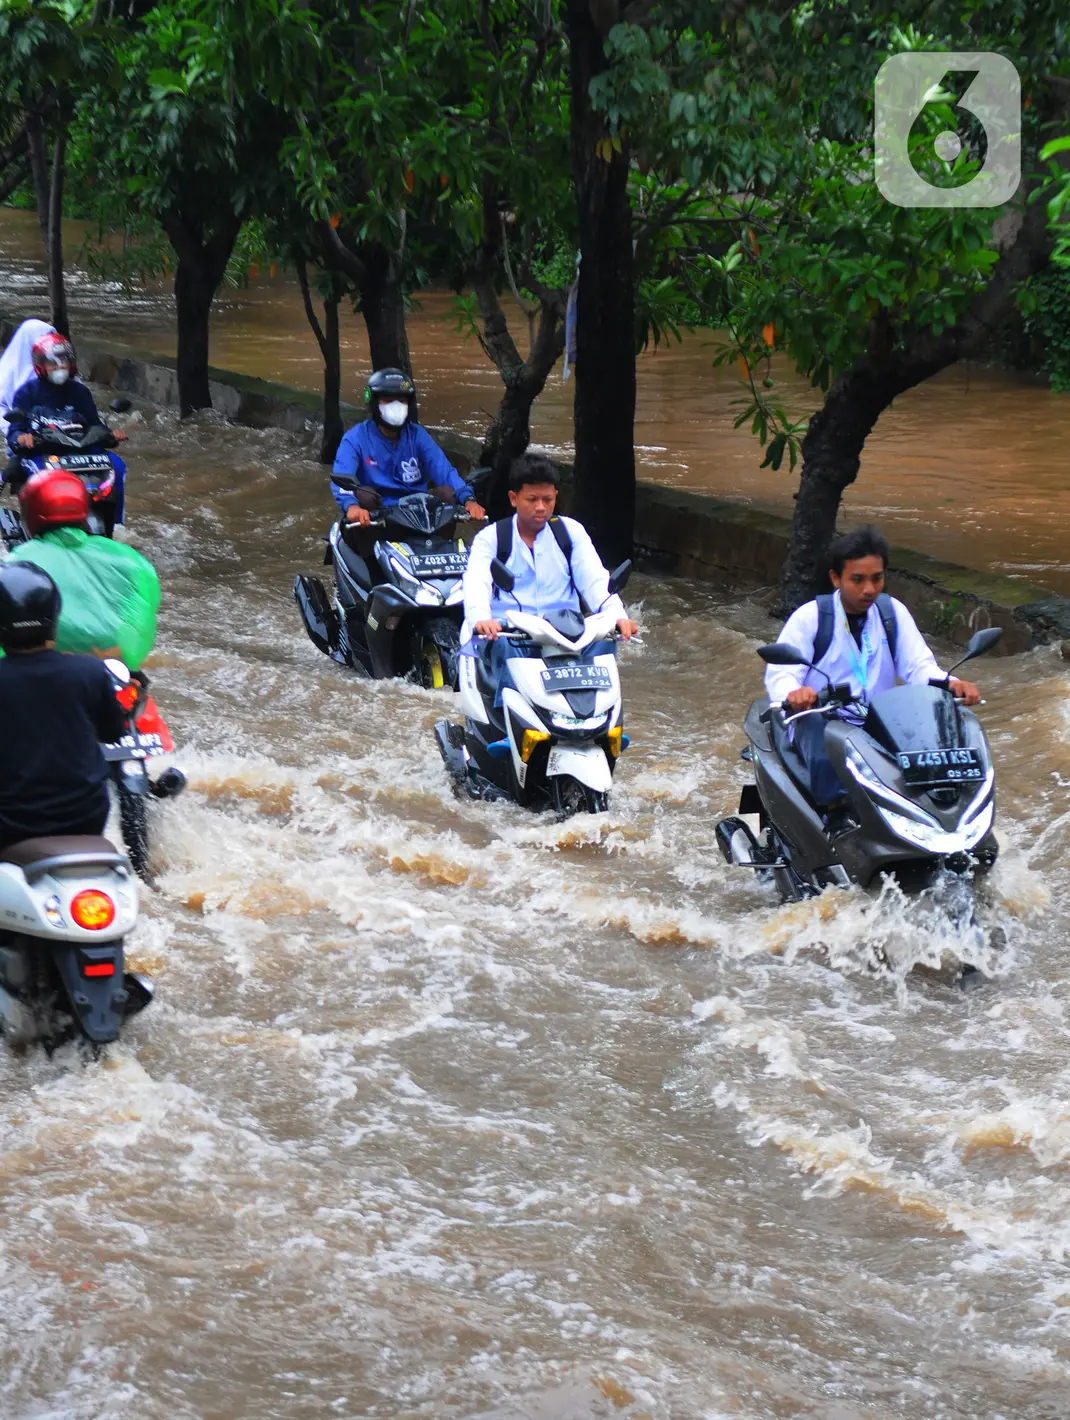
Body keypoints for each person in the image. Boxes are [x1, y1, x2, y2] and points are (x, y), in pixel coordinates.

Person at [764, 525, 981, 836]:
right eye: (858, 579)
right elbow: (781, 670)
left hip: (878, 722)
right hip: (824, 718)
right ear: (836, 578)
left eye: (877, 578)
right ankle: (835, 815)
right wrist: (795, 692)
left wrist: (951, 683)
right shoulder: (811, 617)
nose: (869, 589)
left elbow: (918, 665)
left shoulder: (892, 612)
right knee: (822, 732)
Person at [462, 453, 638, 698]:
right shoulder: (491, 538)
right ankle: (508, 722)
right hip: (511, 634)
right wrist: (481, 618)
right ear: (514, 498)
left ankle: (600, 721)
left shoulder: (571, 533)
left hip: (567, 635)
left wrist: (617, 616)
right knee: (505, 648)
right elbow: (476, 583)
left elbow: (595, 580)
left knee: (605, 641)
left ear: (556, 496)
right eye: (532, 499)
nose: (541, 507)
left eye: (547, 499)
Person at [0, 561, 126, 848]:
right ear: (53, 617)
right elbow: (113, 733)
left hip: (11, 827)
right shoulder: (89, 671)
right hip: (87, 818)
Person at [9, 469, 160, 670]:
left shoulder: (17, 561)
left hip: (45, 671)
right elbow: (147, 611)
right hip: (118, 669)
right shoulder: (128, 557)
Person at [331, 367, 485, 525]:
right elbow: (342, 478)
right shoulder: (355, 438)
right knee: (365, 496)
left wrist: (468, 499)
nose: (396, 406)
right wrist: (351, 506)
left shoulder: (418, 435)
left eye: (401, 401)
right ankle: (368, 548)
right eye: (388, 400)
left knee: (447, 493)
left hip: (418, 511)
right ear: (374, 403)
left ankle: (441, 544)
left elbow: (444, 472)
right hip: (377, 516)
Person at [4, 332, 128, 521]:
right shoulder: (27, 393)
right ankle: (40, 522)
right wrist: (22, 437)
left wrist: (111, 435)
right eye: (53, 363)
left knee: (116, 465)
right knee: (32, 475)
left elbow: (94, 423)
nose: (59, 367)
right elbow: (15, 430)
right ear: (41, 366)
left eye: (63, 362)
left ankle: (114, 523)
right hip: (40, 451)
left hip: (78, 449)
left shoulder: (80, 391)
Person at [0, 318, 56, 437]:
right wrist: (16, 435)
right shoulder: (6, 372)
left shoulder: (57, 368)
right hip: (23, 436)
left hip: (58, 431)